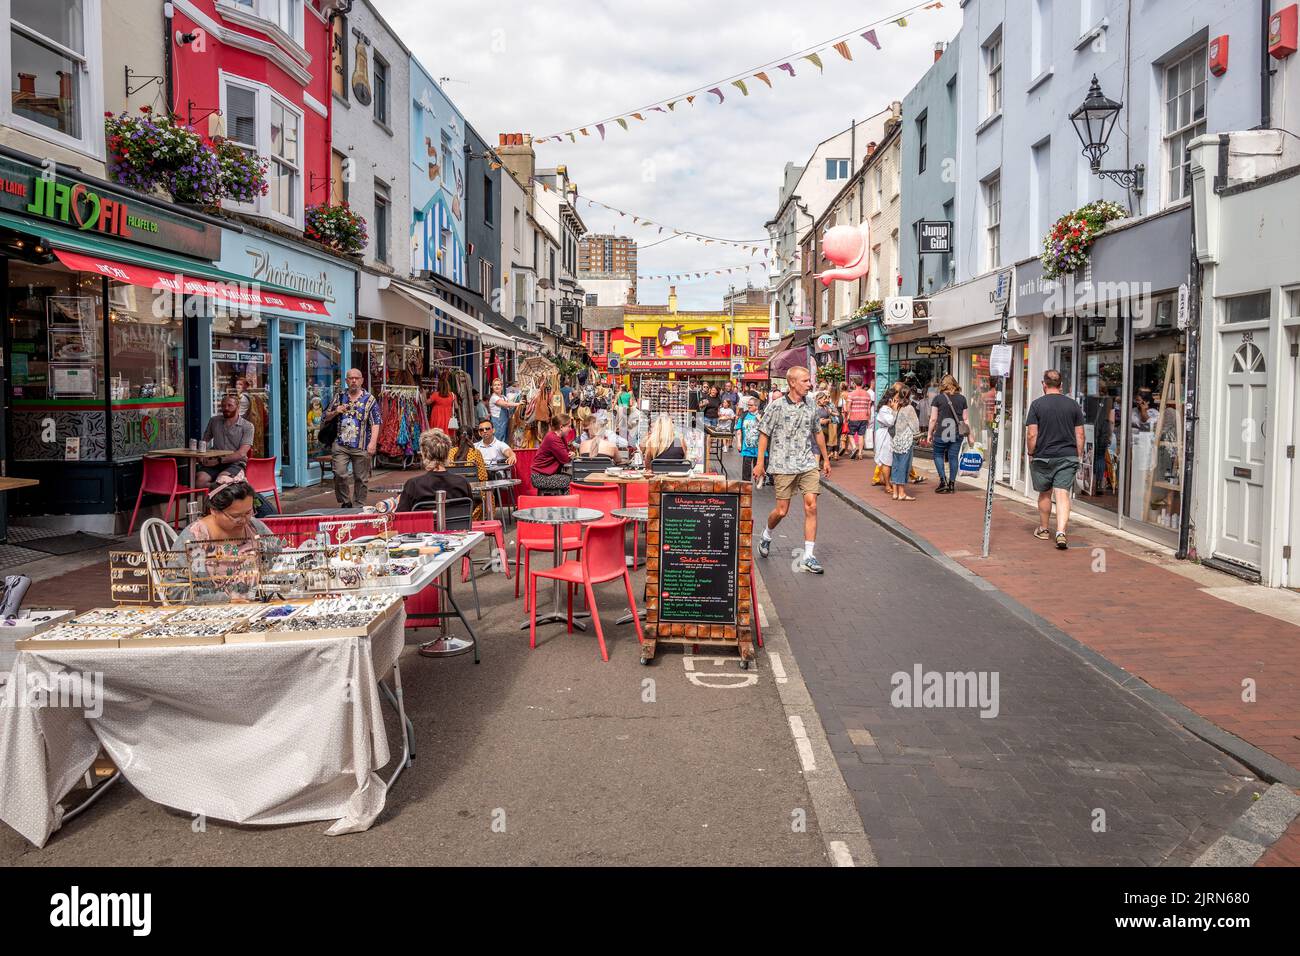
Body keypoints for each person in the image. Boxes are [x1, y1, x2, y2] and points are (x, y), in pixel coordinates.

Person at [754, 366, 831, 574]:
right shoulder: (776, 406)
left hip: (807, 463)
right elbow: (764, 433)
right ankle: (767, 534)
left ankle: (808, 556)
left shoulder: (811, 406)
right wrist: (760, 463)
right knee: (782, 511)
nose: (809, 384)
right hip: (783, 464)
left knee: (811, 505)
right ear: (792, 383)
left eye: (809, 380)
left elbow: (817, 432)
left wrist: (825, 458)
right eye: (805, 381)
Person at [175, 480, 278, 602]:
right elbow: (176, 591)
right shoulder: (195, 538)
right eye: (235, 516)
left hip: (253, 605)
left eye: (248, 512)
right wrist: (223, 600)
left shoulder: (254, 527)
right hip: (213, 613)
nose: (244, 520)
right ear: (214, 510)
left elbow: (276, 555)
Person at [1027, 369, 1086, 549]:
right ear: (1061, 386)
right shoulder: (1073, 405)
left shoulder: (1036, 405)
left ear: (1044, 384)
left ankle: (1044, 530)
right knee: (1062, 494)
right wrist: (1078, 454)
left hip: (1042, 456)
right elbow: (1080, 434)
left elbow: (1031, 434)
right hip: (1067, 456)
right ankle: (1061, 532)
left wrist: (1030, 453)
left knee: (1045, 493)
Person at [323, 367, 382, 508]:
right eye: (351, 378)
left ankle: (358, 506)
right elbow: (325, 417)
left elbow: (376, 422)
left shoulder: (370, 399)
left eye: (357, 378)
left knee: (361, 478)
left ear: (361, 380)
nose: (354, 381)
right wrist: (335, 411)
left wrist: (373, 443)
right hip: (340, 444)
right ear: (346, 380)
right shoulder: (339, 396)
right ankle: (345, 502)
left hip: (361, 445)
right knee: (339, 473)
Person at [396, 428, 473, 514]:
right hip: (456, 527)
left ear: (424, 453)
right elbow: (468, 511)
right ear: (447, 453)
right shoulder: (462, 482)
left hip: (424, 527)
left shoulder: (413, 485)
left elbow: (401, 516)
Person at [196, 394, 254, 488]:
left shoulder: (247, 426)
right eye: (223, 406)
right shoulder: (214, 421)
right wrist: (201, 455)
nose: (226, 408)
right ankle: (216, 491)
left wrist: (219, 461)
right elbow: (205, 440)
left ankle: (220, 491)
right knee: (200, 481)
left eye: (229, 405)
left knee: (222, 479)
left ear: (238, 407)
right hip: (214, 462)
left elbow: (241, 453)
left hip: (236, 464)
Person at [927, 374, 970, 494]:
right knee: (953, 457)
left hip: (942, 432)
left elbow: (933, 419)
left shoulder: (938, 398)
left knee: (938, 455)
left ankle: (943, 482)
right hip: (956, 433)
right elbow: (966, 419)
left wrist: (929, 433)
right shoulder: (962, 399)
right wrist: (969, 434)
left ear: (942, 385)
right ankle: (952, 484)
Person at [889, 387, 920, 502]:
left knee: (896, 465)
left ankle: (895, 492)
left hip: (896, 440)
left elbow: (892, 422)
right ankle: (901, 493)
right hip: (906, 440)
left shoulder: (897, 407)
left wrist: (893, 409)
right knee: (904, 465)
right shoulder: (909, 408)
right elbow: (915, 425)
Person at [531, 412, 573, 495]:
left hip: (545, 475)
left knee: (571, 478)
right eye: (569, 426)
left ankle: (563, 504)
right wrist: (571, 456)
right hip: (540, 477)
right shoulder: (553, 438)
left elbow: (566, 453)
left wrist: (569, 455)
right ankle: (565, 505)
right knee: (571, 482)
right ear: (561, 427)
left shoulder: (559, 437)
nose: (570, 429)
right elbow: (565, 459)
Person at [873, 384, 898, 493]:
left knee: (889, 460)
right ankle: (887, 485)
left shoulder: (888, 408)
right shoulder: (884, 409)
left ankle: (885, 480)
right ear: (890, 399)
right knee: (886, 460)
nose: (898, 401)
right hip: (885, 436)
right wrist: (895, 410)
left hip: (890, 435)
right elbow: (890, 422)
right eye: (896, 398)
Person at [844, 377, 874, 460]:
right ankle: (860, 453)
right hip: (864, 417)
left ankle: (854, 447)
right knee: (861, 436)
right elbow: (869, 409)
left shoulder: (851, 394)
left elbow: (848, 407)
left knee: (850, 435)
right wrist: (869, 419)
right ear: (862, 383)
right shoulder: (867, 394)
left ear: (854, 384)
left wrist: (847, 416)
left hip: (853, 417)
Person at [735, 395, 761, 481]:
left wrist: (760, 420)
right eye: (748, 404)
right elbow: (739, 430)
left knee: (758, 469)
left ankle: (759, 483)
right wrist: (738, 443)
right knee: (746, 470)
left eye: (751, 405)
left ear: (756, 406)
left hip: (759, 448)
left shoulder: (762, 414)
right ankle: (746, 485)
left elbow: (767, 429)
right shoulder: (744, 415)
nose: (748, 406)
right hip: (747, 447)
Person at [489, 378, 522, 443]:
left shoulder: (503, 397)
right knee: (498, 441)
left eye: (498, 385)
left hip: (505, 422)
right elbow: (506, 404)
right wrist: (518, 404)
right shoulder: (494, 397)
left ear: (501, 387)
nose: (497, 386)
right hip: (498, 423)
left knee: (505, 441)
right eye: (495, 385)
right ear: (492, 387)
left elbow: (511, 403)